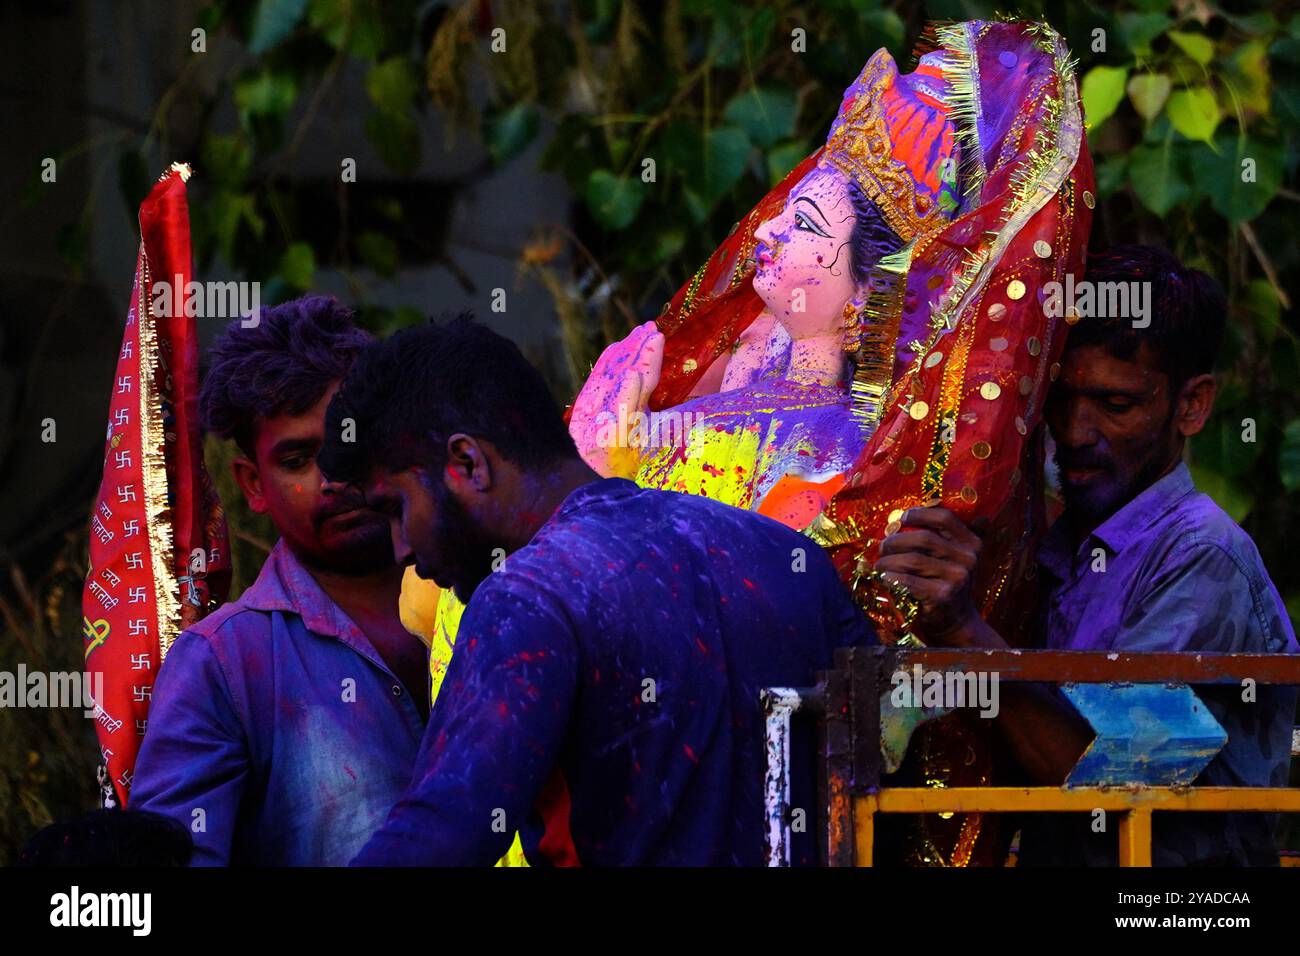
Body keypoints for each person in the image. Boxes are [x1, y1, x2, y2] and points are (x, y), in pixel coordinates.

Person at [317, 313, 874, 866]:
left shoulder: (527, 597)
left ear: (468, 463)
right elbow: (889, 751)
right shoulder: (776, 551)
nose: (399, 550)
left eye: (396, 508)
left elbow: (442, 832)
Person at [874, 246, 1299, 865]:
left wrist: (964, 630)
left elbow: (1114, 786)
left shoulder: (1201, 557)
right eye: (1059, 398)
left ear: (1192, 405)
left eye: (1116, 404)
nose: (1074, 432)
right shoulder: (1051, 540)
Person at [131, 296, 430, 865]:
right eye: (297, 460)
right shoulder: (220, 666)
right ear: (252, 484)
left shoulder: (498, 586)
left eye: (349, 441)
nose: (334, 477)